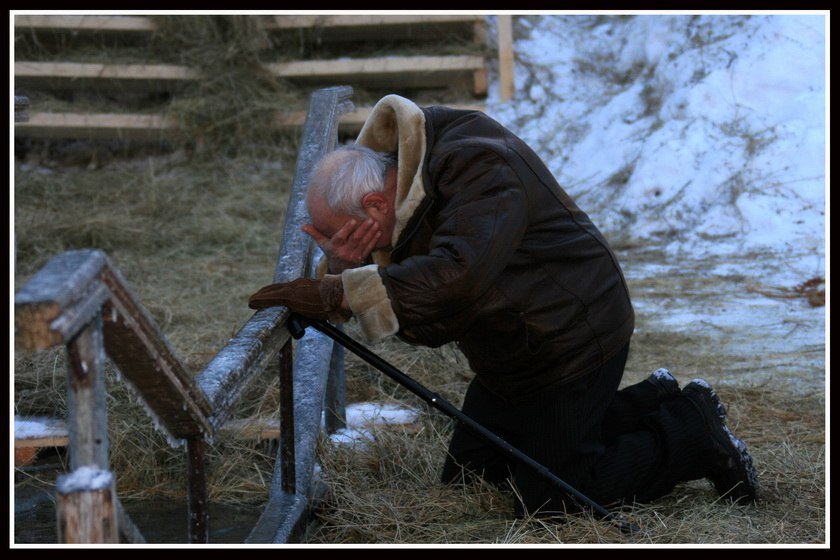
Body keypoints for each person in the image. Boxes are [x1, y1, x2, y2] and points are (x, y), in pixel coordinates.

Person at [249, 94, 759, 516]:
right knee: (471, 485)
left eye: (340, 236)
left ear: (374, 205)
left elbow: (458, 278)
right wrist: (343, 269)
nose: (341, 248)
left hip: (570, 335)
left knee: (554, 500)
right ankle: (651, 400)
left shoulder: (476, 162)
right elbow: (429, 323)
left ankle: (692, 429)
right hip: (509, 351)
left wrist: (338, 293)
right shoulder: (397, 192)